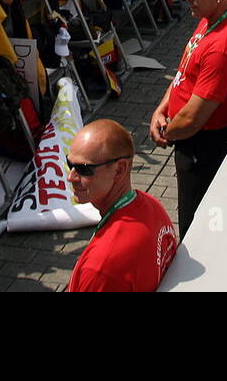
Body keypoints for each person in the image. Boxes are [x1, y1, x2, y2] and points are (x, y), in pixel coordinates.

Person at [149, 0, 227, 237]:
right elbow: (183, 72)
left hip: (203, 147)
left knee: (194, 226)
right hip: (191, 138)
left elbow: (195, 117)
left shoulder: (224, 43)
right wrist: (160, 110)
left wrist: (166, 132)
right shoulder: (211, 20)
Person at [65, 118, 177, 292]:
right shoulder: (151, 205)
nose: (71, 177)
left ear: (119, 170)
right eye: (69, 164)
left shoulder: (100, 269)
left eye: (84, 169)